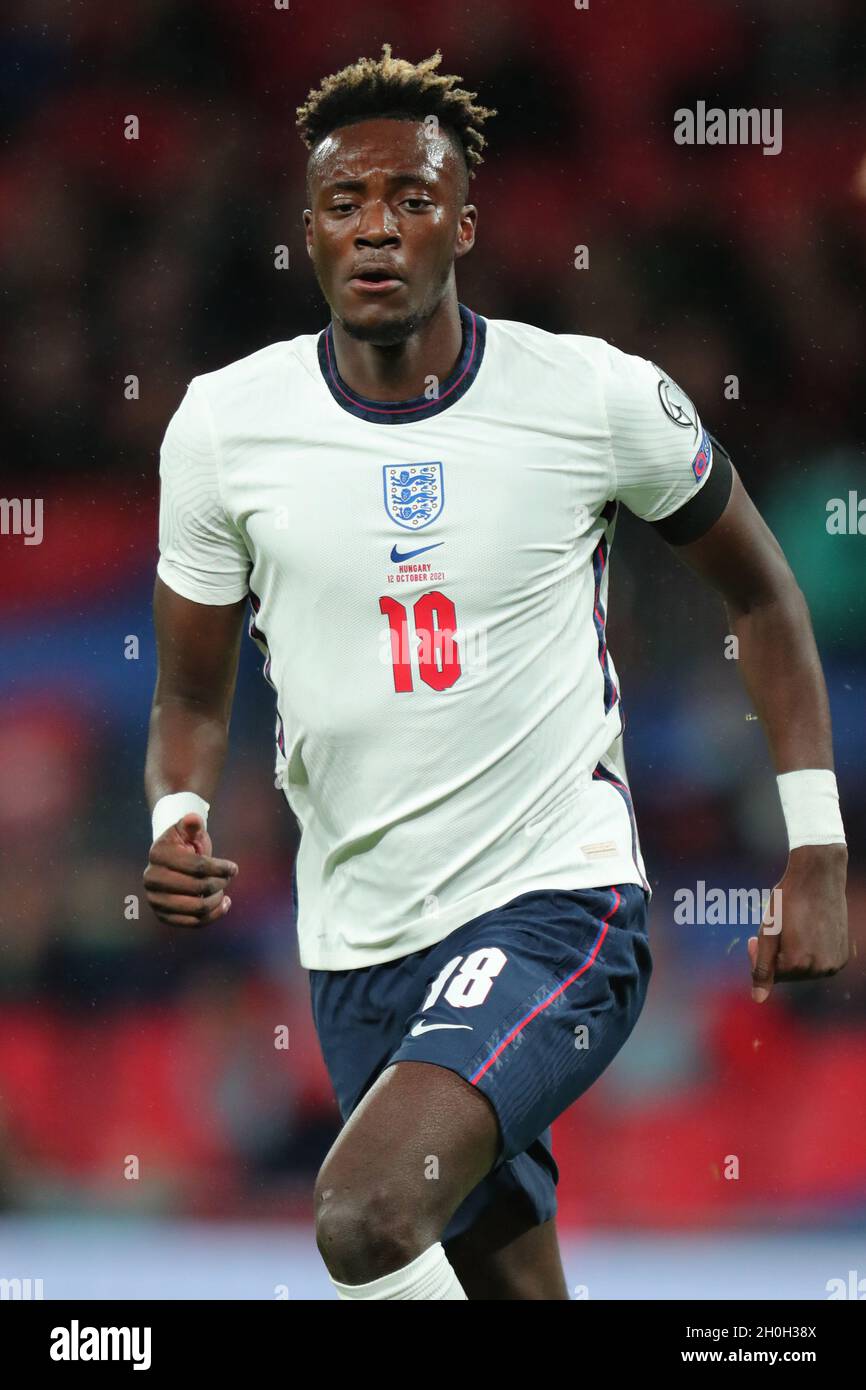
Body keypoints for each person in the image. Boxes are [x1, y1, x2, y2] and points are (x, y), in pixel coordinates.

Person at [143, 45, 848, 1300]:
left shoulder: (589, 398)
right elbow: (191, 691)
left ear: (463, 222)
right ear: (302, 229)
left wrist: (814, 847)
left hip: (552, 907)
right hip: (357, 943)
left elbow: (761, 591)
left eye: (410, 199)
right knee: (505, 1290)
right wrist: (177, 813)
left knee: (363, 1221)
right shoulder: (220, 429)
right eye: (342, 202)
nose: (375, 229)